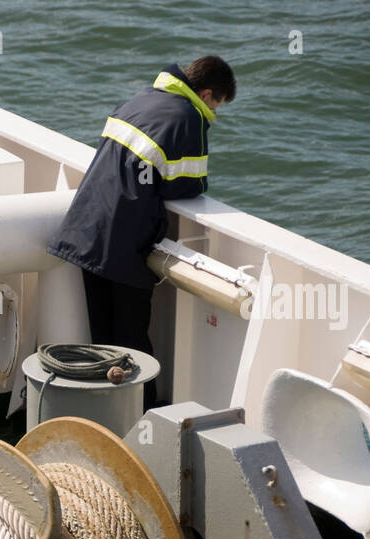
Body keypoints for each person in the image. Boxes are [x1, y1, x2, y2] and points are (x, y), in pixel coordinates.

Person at [47, 56, 236, 402]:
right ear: (207, 93)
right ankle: (142, 419)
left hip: (86, 231)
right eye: (216, 105)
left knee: (102, 339)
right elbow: (187, 185)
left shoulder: (139, 99)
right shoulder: (187, 117)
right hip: (123, 243)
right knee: (133, 344)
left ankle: (104, 416)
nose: (213, 113)